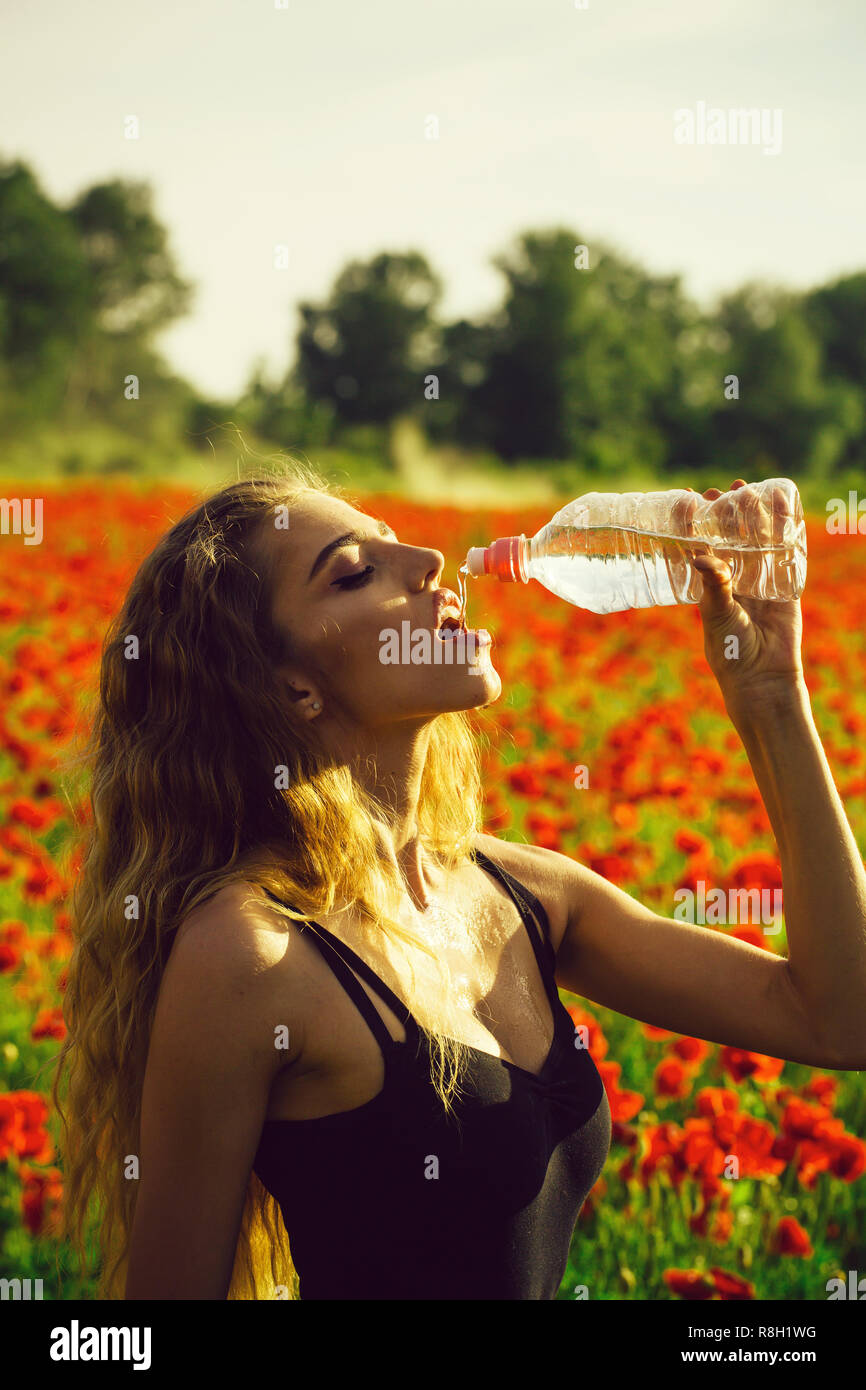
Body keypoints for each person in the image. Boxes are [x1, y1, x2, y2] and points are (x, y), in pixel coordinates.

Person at [52, 463, 866, 1300]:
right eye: (353, 572)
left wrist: (773, 695)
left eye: (392, 542)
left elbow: (840, 1020)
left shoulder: (524, 894)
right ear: (292, 686)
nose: (430, 561)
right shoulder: (251, 952)